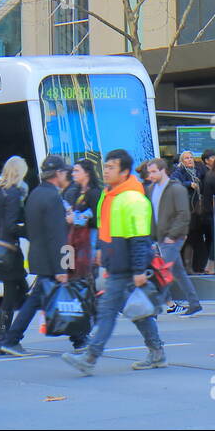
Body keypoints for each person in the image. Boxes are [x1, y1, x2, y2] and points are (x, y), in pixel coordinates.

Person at [63, 149, 168, 374]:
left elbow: (141, 238)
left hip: (129, 266)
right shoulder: (109, 195)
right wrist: (101, 249)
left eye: (111, 167)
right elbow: (104, 227)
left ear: (125, 171)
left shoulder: (133, 198)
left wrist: (139, 270)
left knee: (112, 311)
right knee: (135, 311)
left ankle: (90, 357)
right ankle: (156, 352)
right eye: (106, 166)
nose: (106, 171)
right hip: (117, 263)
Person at [0, 155, 83, 356]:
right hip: (52, 259)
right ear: (58, 174)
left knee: (41, 299)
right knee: (61, 297)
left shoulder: (35, 194)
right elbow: (57, 236)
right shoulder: (53, 197)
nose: (68, 175)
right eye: (65, 172)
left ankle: (79, 338)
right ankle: (79, 339)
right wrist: (63, 266)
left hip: (39, 255)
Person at [146, 157, 202, 316]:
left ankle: (154, 309)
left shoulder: (176, 189)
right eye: (149, 172)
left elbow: (183, 214)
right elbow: (153, 215)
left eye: (154, 172)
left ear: (163, 171)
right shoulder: (151, 189)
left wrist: (173, 235)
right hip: (162, 237)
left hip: (172, 237)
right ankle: (194, 303)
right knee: (176, 271)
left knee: (165, 272)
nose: (150, 175)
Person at [0, 156, 29, 343]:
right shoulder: (13, 193)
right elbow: (11, 226)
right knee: (13, 295)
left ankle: (2, 332)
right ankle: (3, 336)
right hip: (9, 250)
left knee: (20, 291)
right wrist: (28, 229)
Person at [63, 159, 98, 282]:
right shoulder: (74, 192)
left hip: (90, 241)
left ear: (87, 173)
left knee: (88, 274)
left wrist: (77, 219)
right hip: (76, 240)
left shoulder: (94, 193)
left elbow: (97, 220)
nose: (73, 174)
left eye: (77, 171)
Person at [192, 153, 215, 274]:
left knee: (211, 239)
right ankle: (210, 266)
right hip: (213, 212)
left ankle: (208, 265)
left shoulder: (208, 175)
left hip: (206, 212)